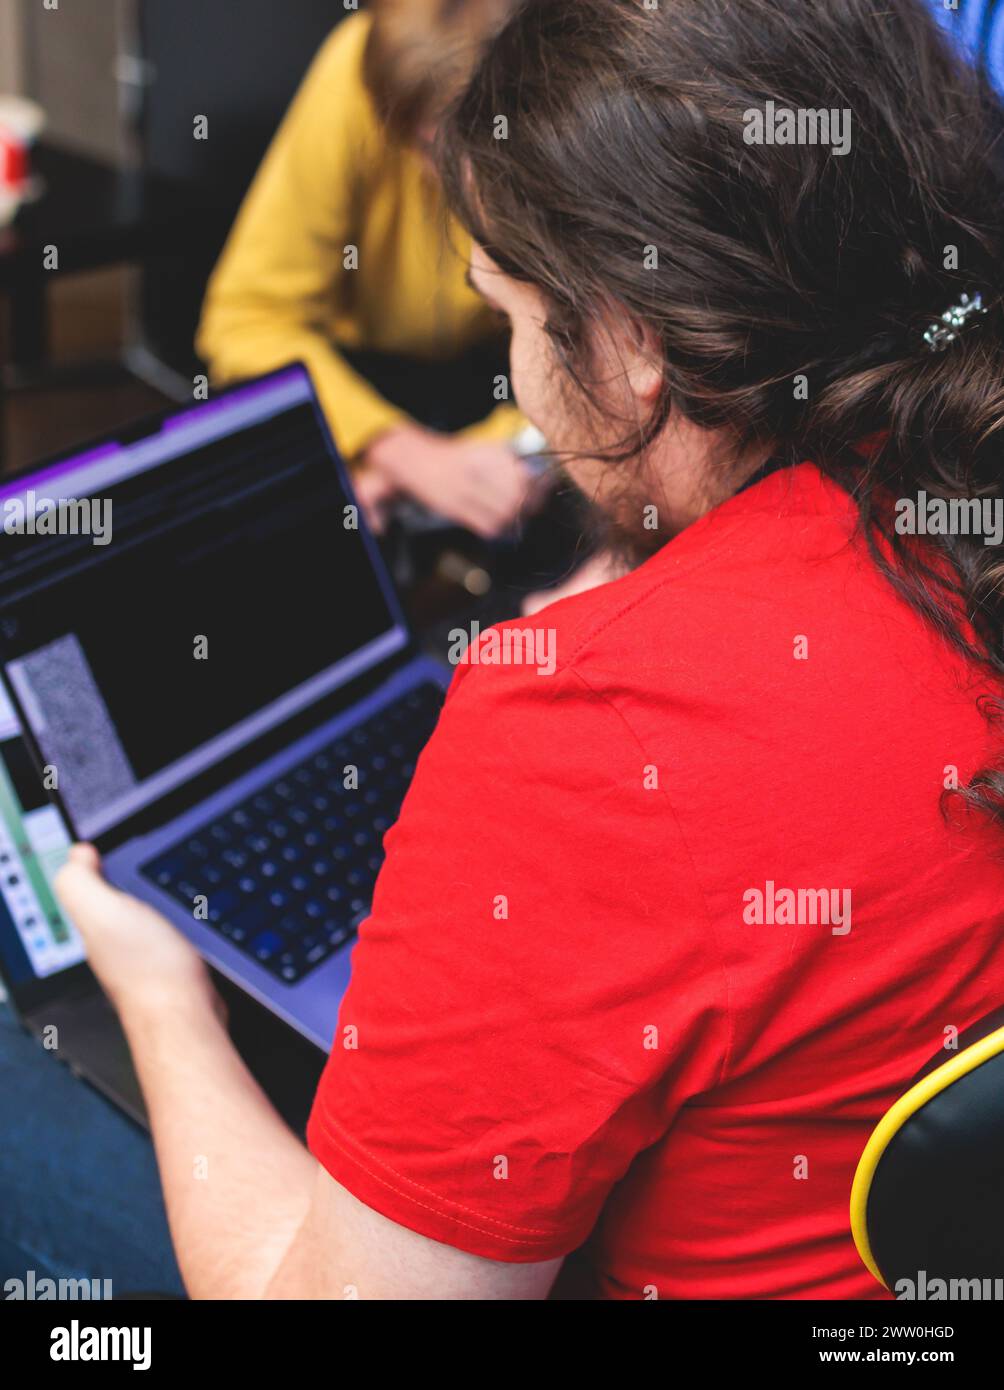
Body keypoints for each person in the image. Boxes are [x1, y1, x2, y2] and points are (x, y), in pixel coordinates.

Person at [9, 0, 1004, 1299]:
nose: (521, 375)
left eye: (512, 314)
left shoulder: (592, 725)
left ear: (638, 347)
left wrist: (158, 988)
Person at [195, 0, 541, 543]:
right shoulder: (356, 72)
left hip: (510, 387)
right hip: (358, 383)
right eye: (426, 147)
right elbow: (243, 322)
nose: (443, 178)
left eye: (463, 148)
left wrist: (522, 445)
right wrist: (395, 452)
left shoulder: (567, 80)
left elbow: (613, 351)